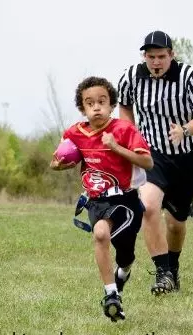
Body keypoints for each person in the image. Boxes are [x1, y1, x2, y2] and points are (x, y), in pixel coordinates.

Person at [118, 30, 193, 295]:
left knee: (175, 222)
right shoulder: (131, 76)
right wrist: (130, 135)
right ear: (144, 57)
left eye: (161, 56)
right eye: (151, 57)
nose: (156, 62)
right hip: (152, 155)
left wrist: (184, 130)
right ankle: (163, 273)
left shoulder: (187, 76)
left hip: (187, 159)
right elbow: (124, 106)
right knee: (147, 207)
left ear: (171, 55)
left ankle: (173, 267)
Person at [50, 76, 153, 322]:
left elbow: (147, 162)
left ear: (111, 104)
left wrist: (116, 147)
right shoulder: (75, 133)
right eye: (89, 103)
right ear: (82, 108)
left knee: (125, 256)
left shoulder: (124, 130)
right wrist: (61, 164)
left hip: (125, 202)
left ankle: (124, 271)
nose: (96, 107)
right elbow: (55, 163)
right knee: (100, 234)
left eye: (102, 101)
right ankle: (111, 295)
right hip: (96, 201)